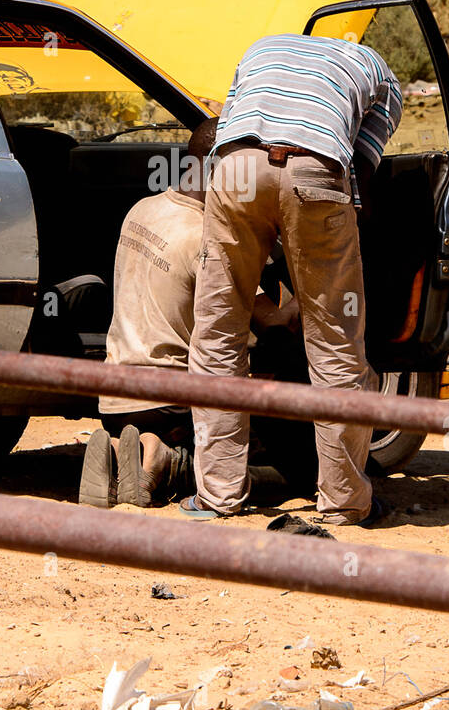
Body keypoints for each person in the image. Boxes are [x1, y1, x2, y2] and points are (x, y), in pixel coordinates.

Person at [183, 33, 402, 526]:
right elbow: (358, 173)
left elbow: (225, 132)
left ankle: (217, 498)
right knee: (335, 343)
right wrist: (320, 245)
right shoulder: (382, 78)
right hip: (316, 165)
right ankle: (344, 501)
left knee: (217, 334)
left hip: (235, 170)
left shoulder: (260, 48)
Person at [79, 117, 297, 508]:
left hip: (113, 395)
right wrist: (305, 298)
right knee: (269, 383)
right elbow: (270, 322)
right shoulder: (210, 239)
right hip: (170, 401)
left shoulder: (141, 209)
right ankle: (161, 457)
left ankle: (118, 446)